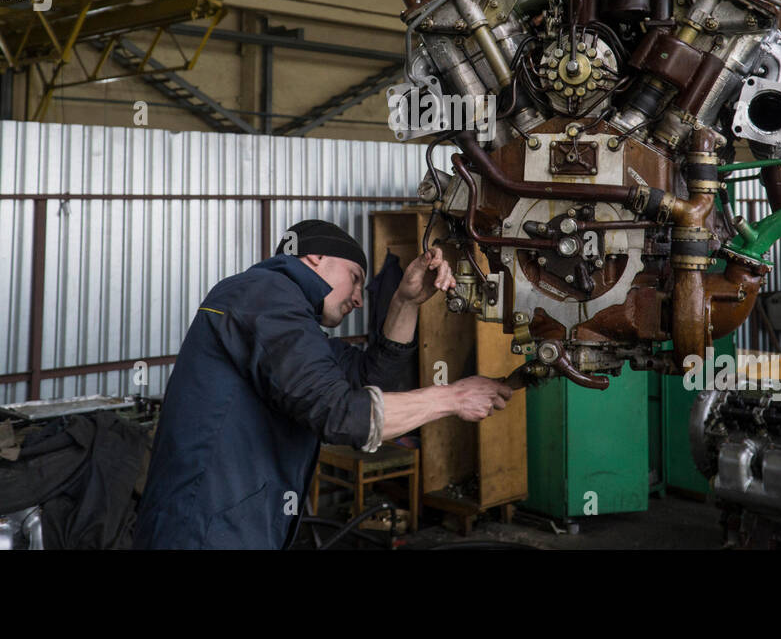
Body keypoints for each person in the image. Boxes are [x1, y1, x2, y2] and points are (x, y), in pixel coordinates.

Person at [133, 218, 513, 549]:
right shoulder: (262, 294)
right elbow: (340, 413)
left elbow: (369, 380)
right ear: (315, 258)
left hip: (235, 525)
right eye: (355, 278)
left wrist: (405, 302)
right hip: (204, 531)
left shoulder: (282, 318)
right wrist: (454, 396)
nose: (358, 299)